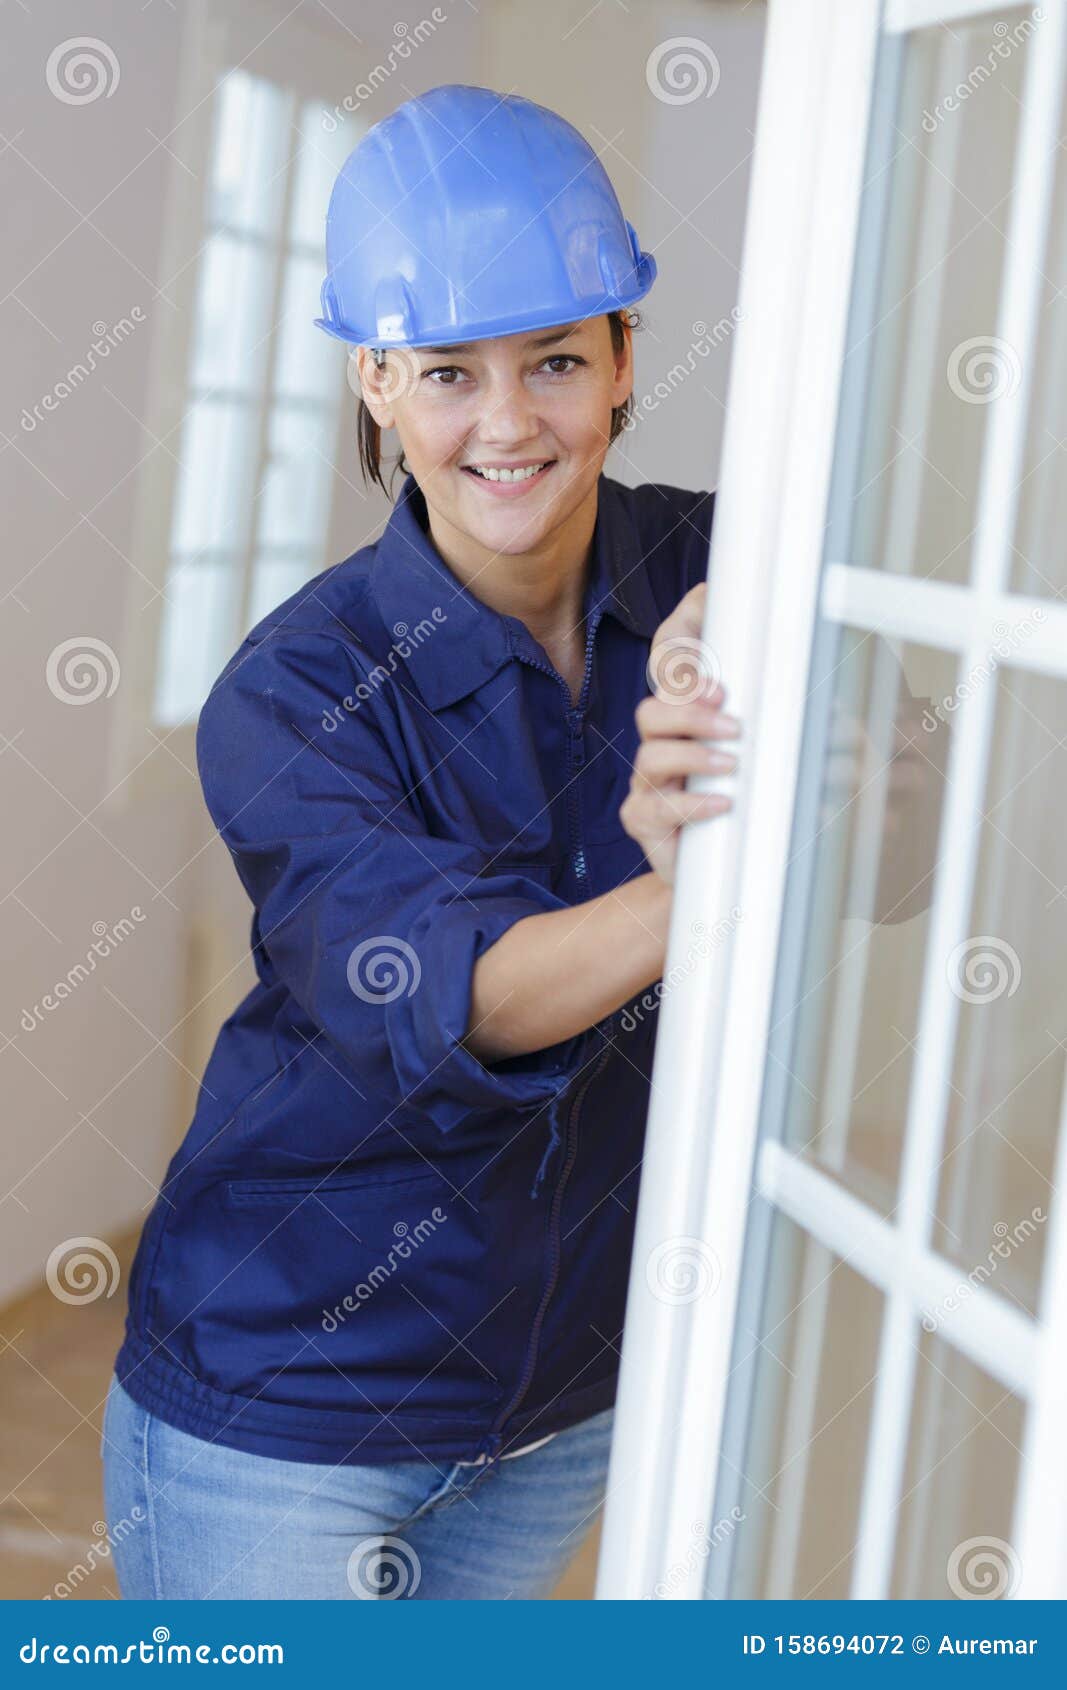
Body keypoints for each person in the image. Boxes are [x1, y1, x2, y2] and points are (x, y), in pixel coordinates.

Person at [99, 81, 742, 1601]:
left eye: (559, 361)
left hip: (562, 1405)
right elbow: (453, 994)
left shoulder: (721, 567)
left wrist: (868, 767)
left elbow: (899, 859)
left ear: (626, 359)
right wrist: (704, 875)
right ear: (377, 381)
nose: (510, 421)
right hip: (291, 1414)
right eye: (450, 370)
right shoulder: (293, 687)